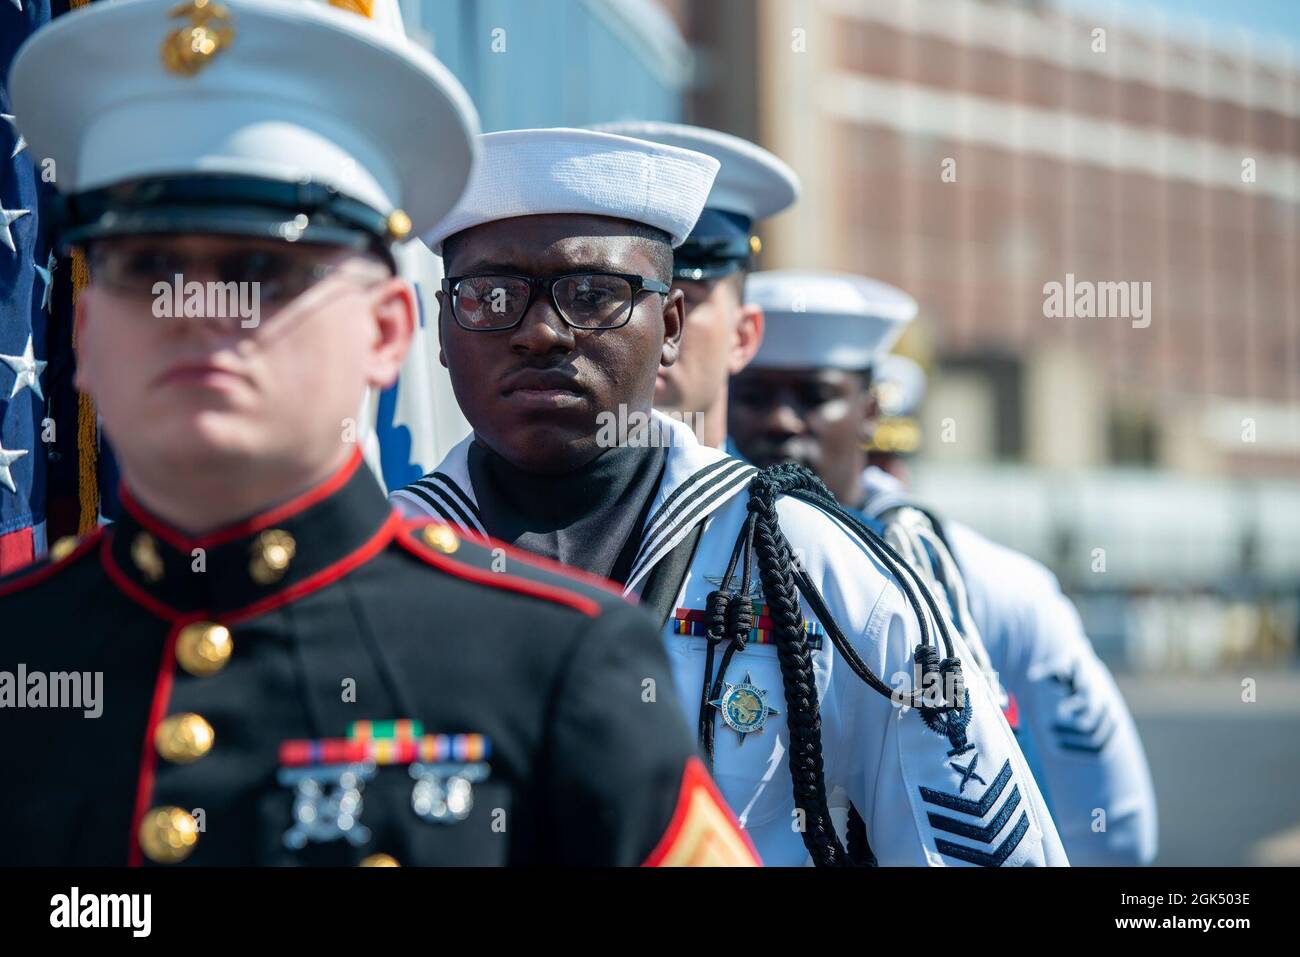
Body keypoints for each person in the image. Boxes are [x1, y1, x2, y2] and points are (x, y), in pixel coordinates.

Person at [0, 0, 757, 868]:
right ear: (85, 333)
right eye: (146, 268)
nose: (199, 312)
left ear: (389, 331)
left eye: (263, 268)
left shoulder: (561, 669)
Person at [394, 127, 1066, 866]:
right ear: (440, 329)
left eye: (593, 295)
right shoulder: (382, 568)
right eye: (492, 295)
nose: (544, 332)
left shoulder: (820, 567)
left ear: (672, 324)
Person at [730, 270, 1158, 865]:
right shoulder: (689, 558)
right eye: (754, 396)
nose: (779, 420)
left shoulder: (988, 582)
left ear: (869, 409)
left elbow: (1113, 819)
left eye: (813, 396)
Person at [589, 122, 798, 455]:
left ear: (743, 337)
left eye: (680, 305)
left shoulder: (776, 509)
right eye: (609, 296)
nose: (650, 327)